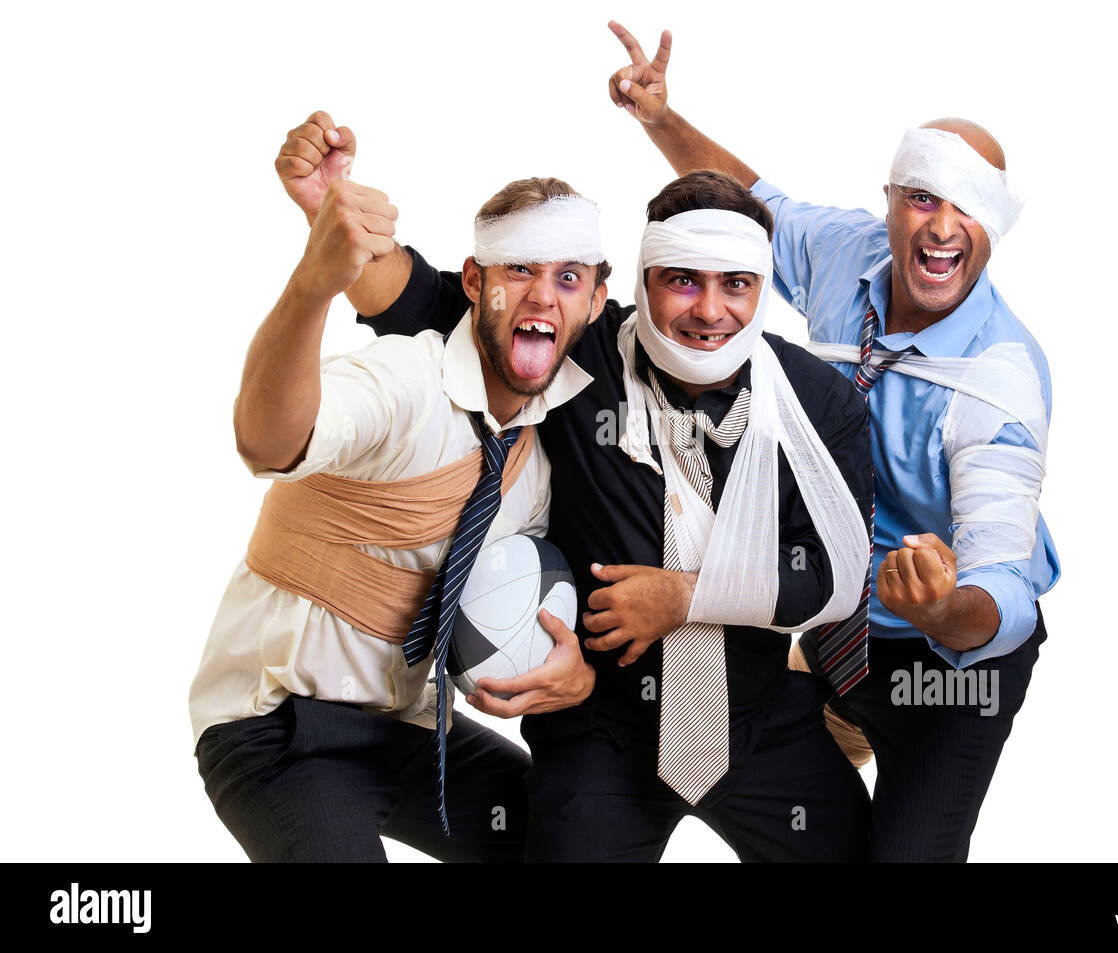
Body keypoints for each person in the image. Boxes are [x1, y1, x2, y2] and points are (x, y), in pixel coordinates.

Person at [285, 115, 878, 862]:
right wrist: (329, 212)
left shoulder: (821, 405)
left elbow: (834, 574)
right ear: (637, 282)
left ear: (762, 289)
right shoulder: (578, 349)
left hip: (759, 721)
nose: (708, 309)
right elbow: (427, 303)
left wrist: (685, 595)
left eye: (736, 285)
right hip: (601, 728)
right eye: (681, 281)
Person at [606, 22, 1060, 861]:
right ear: (889, 198)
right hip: (828, 621)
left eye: (969, 207)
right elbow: (751, 202)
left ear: (995, 228)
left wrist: (943, 610)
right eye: (923, 197)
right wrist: (659, 118)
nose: (941, 226)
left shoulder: (1002, 380)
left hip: (947, 666)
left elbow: (1002, 580)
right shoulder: (845, 249)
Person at [189, 141, 610, 861]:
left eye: (568, 277)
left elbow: (502, 603)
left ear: (596, 303)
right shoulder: (408, 380)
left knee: (578, 839)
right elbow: (266, 440)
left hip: (410, 729)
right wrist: (314, 287)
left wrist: (572, 674)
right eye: (520, 270)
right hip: (278, 726)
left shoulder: (534, 467)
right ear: (475, 282)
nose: (543, 294)